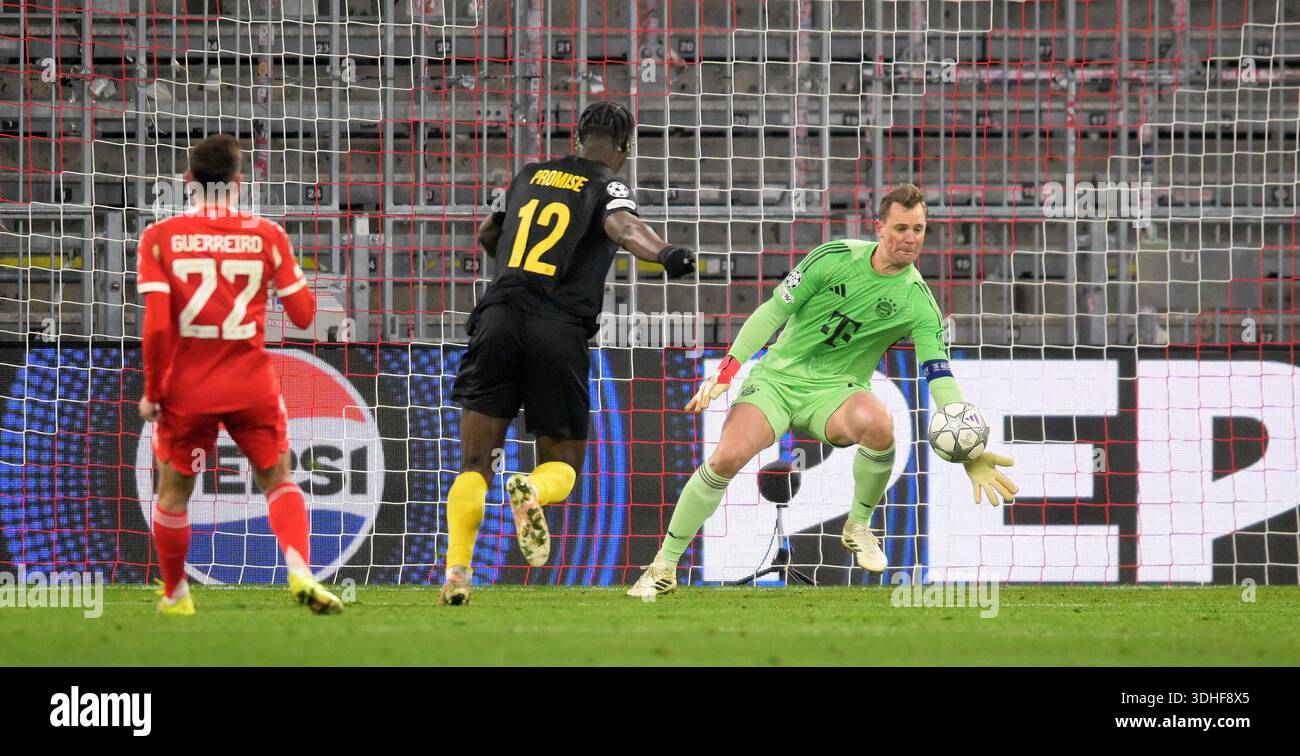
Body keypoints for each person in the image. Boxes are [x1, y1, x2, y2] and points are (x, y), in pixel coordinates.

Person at [628, 184, 1019, 598]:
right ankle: (664, 566)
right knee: (727, 457)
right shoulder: (834, 258)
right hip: (777, 380)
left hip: (835, 393)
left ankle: (859, 525)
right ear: (879, 228)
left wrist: (968, 451)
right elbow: (773, 312)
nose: (911, 238)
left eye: (919, 229)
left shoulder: (918, 302)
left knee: (880, 424)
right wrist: (729, 368)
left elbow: (937, 373)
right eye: (901, 227)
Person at [442, 101, 696, 605]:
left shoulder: (528, 175)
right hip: (556, 330)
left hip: (497, 318)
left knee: (474, 463)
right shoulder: (608, 185)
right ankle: (533, 491)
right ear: (627, 146)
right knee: (564, 463)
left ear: (577, 135)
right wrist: (666, 254)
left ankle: (456, 574)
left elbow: (489, 233)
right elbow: (624, 227)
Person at [137, 133, 342, 615]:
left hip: (188, 388)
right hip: (251, 383)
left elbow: (157, 326)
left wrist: (154, 391)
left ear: (188, 181)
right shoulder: (266, 235)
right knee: (277, 477)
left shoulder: (160, 238)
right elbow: (304, 315)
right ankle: (299, 569)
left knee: (173, 492)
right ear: (237, 181)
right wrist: (289, 275)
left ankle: (176, 596)